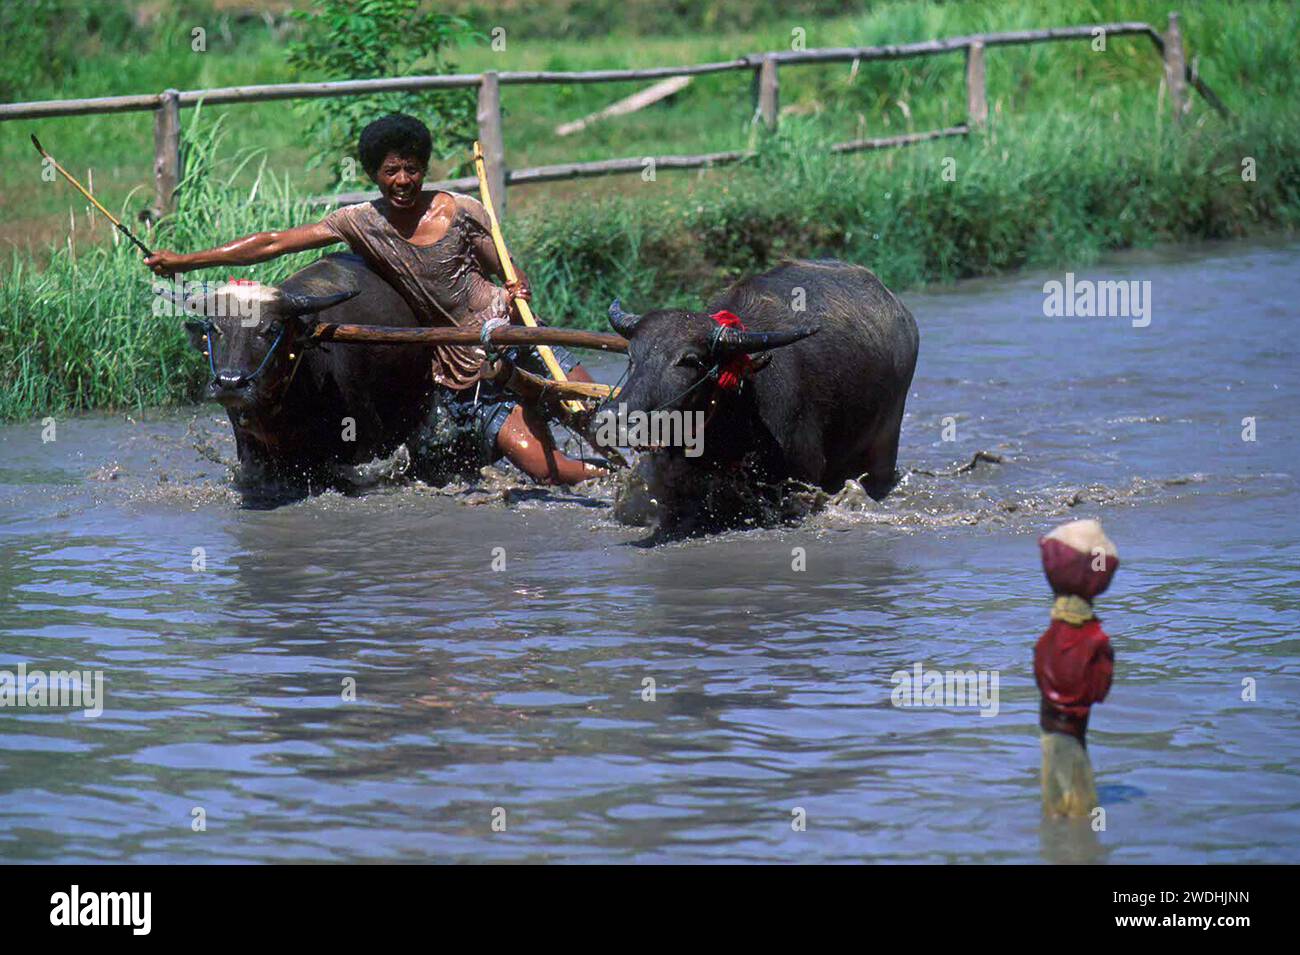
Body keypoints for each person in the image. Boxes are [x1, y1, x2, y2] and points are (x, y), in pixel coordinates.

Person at [145, 113, 603, 485]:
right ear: (373, 174)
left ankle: (631, 471)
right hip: (462, 363)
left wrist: (516, 286)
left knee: (594, 416)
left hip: (514, 333)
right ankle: (603, 479)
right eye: (391, 171)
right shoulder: (359, 222)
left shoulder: (461, 211)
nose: (403, 180)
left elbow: (506, 267)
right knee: (544, 468)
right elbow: (272, 243)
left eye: (412, 169)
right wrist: (186, 262)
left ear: (424, 168)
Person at [1034, 518, 1118, 818]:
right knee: (1075, 788)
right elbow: (1098, 687)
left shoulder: (1056, 636)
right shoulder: (1092, 637)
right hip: (1072, 724)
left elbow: (1045, 671)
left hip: (1054, 723)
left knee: (1061, 792)